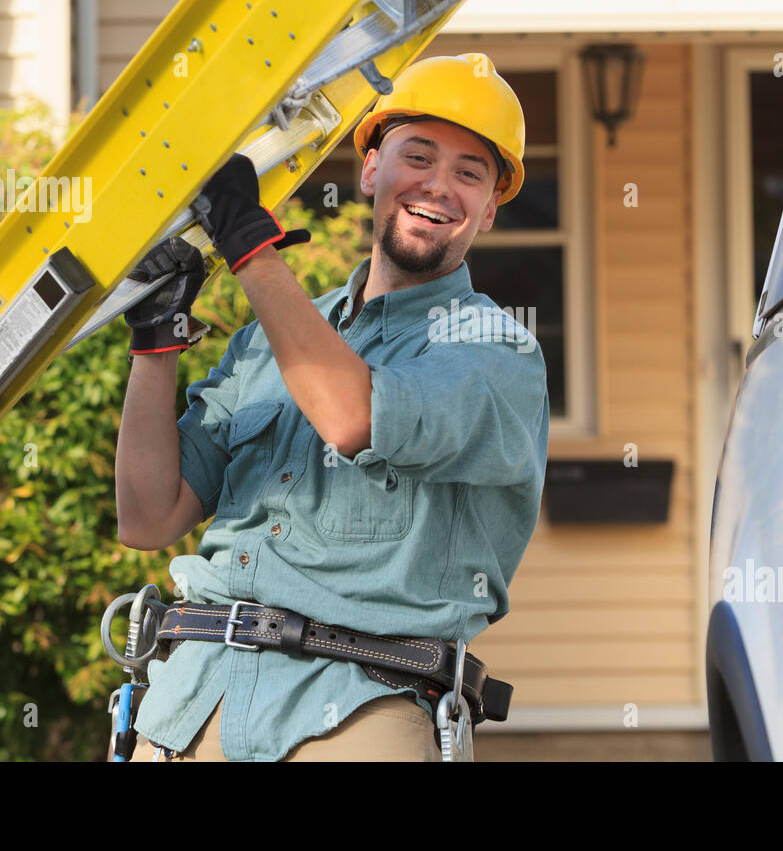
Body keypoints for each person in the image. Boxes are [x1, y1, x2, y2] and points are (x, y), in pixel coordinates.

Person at [113, 53, 550, 761]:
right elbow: (148, 516)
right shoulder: (269, 342)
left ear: (491, 208)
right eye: (419, 157)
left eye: (470, 173)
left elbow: (352, 418)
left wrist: (250, 249)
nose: (439, 187)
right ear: (372, 168)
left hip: (357, 712)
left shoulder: (495, 350)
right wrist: (155, 346)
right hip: (192, 704)